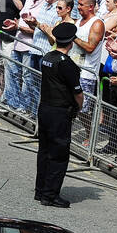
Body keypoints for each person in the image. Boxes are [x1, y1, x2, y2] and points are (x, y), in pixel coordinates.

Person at [35, 22, 84, 208]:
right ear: (71, 42)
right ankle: (50, 195)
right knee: (58, 155)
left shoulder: (47, 57)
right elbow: (77, 93)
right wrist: (78, 108)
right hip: (59, 112)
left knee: (44, 151)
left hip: (45, 108)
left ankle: (40, 190)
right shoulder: (67, 64)